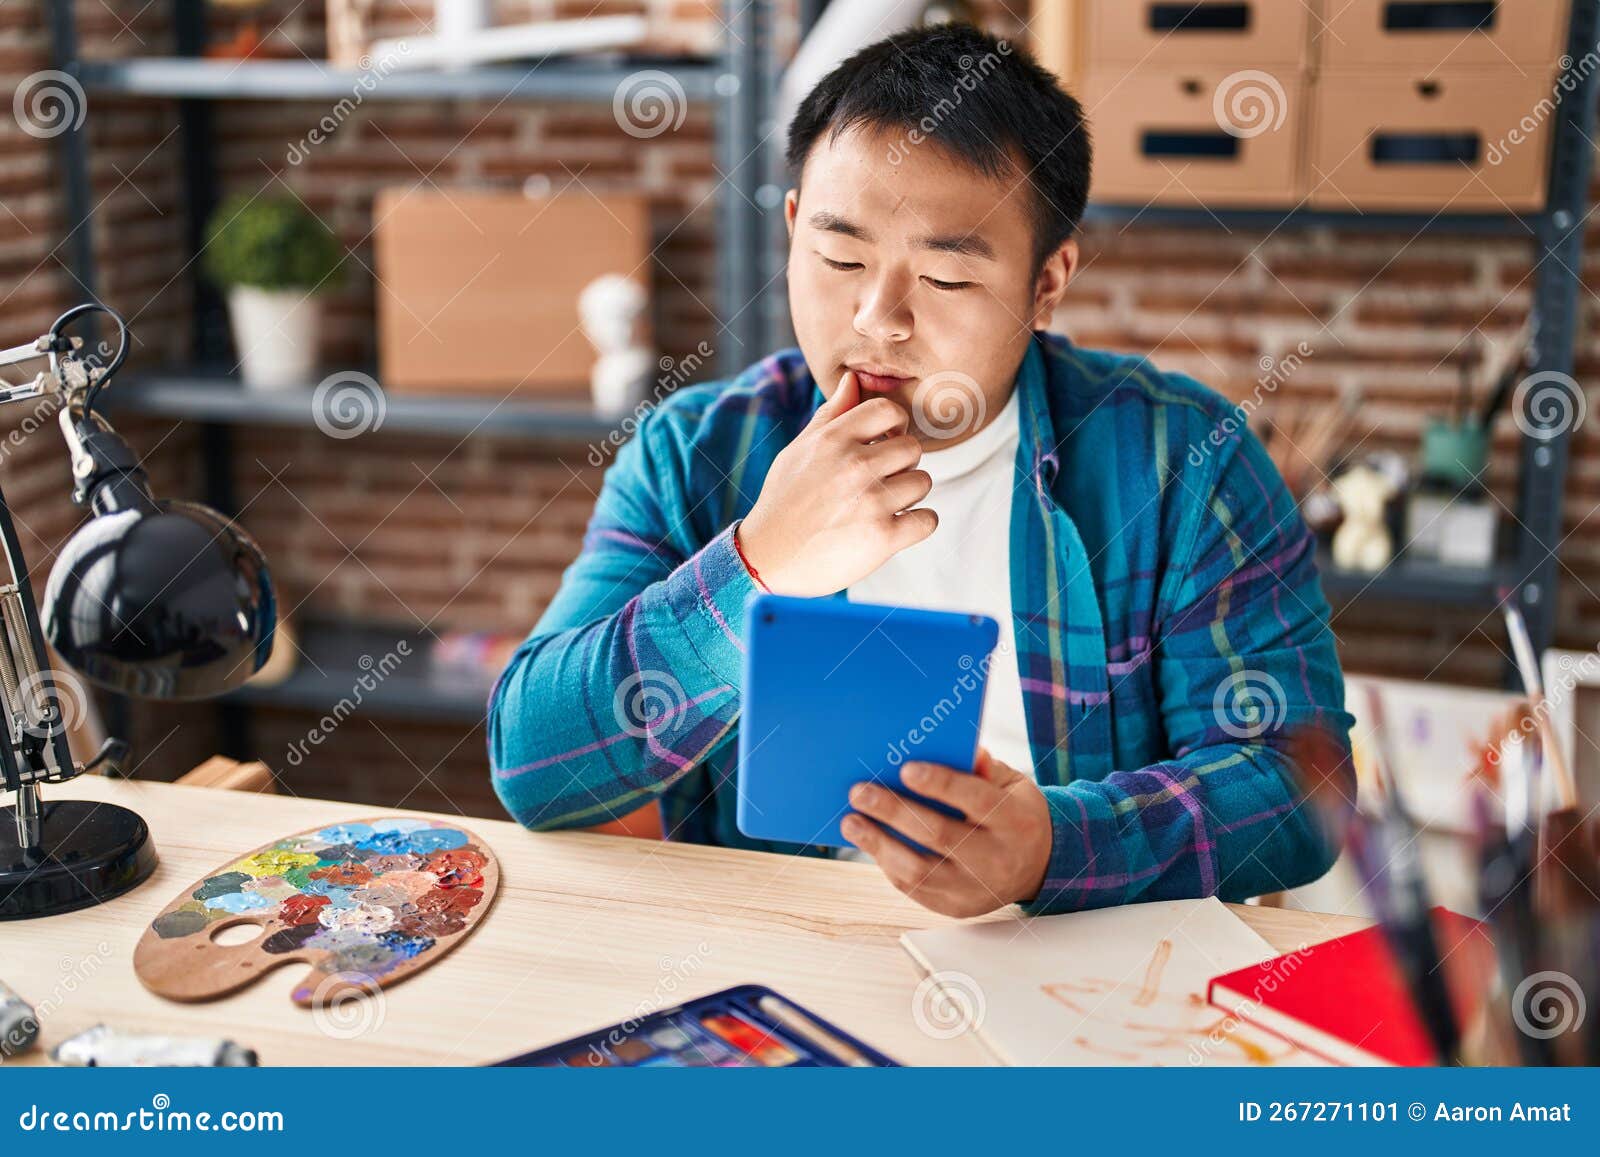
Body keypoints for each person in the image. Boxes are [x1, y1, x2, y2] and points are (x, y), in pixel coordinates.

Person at [488, 23, 1353, 918]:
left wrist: (1054, 847)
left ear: (1047, 282)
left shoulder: (1184, 461)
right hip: (782, 977)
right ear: (792, 231)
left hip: (1074, 985)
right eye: (839, 259)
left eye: (944, 278)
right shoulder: (695, 449)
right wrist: (756, 563)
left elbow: (1296, 792)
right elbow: (533, 767)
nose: (877, 318)